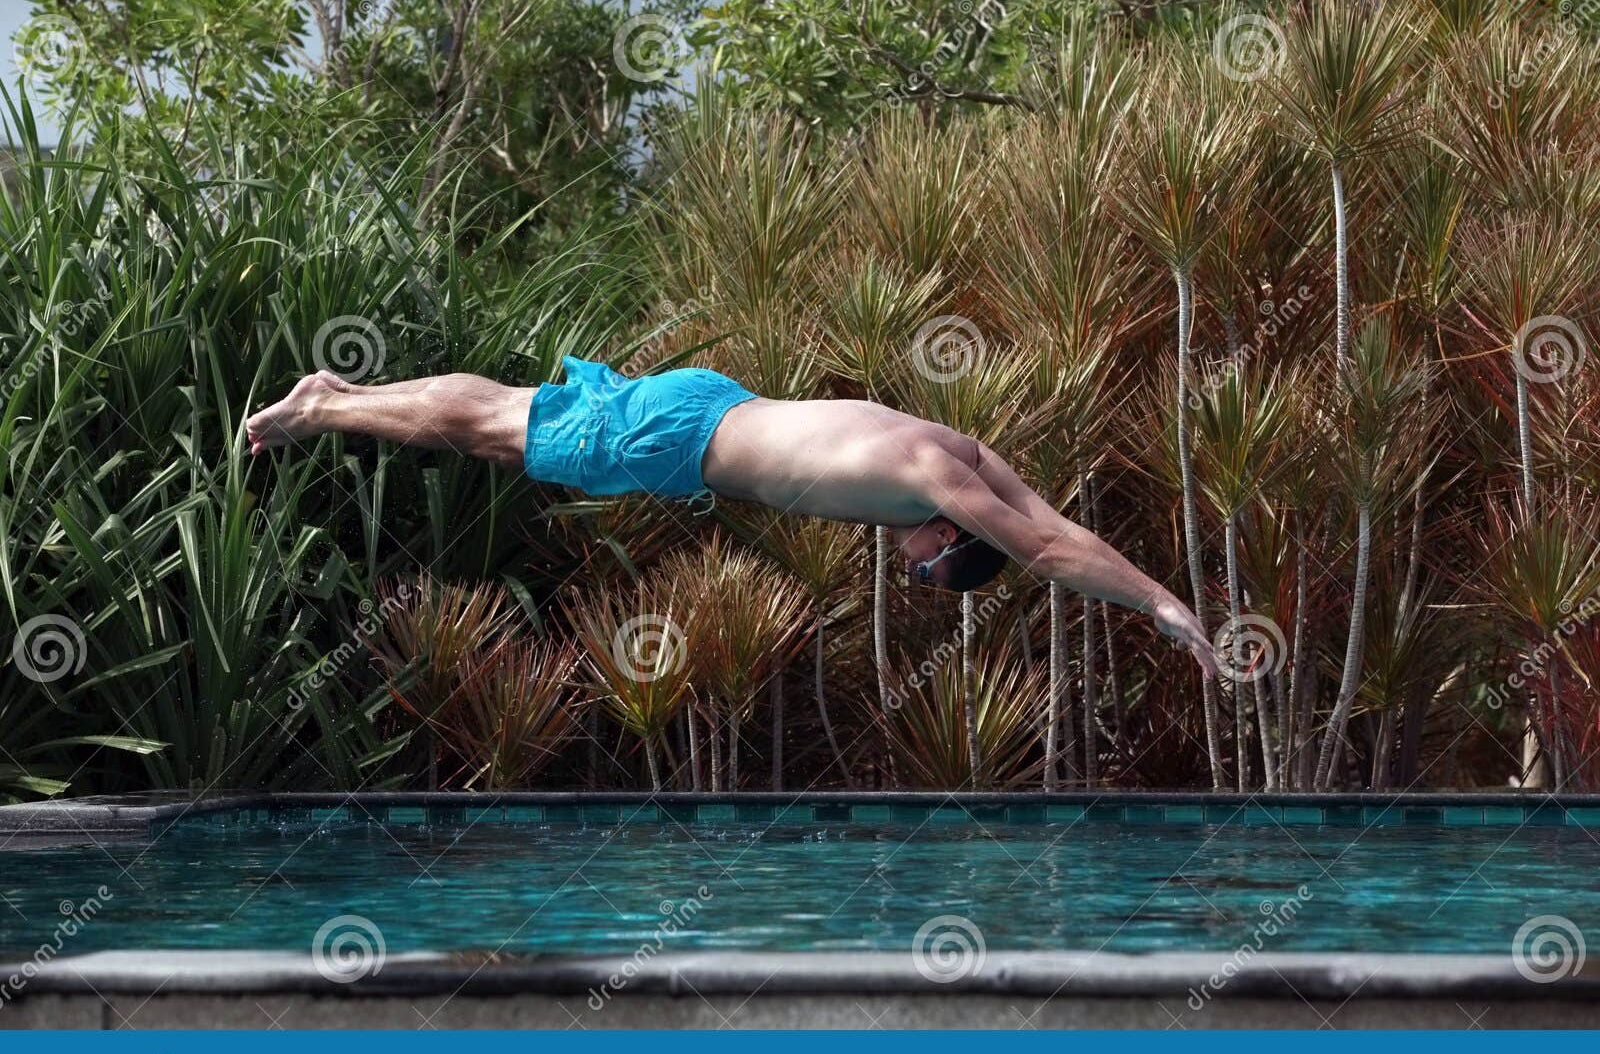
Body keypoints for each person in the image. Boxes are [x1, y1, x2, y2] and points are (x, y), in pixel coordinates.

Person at [246, 357, 1218, 675]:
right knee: (497, 426)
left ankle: (345, 397)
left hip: (716, 405)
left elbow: (1054, 523)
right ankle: (327, 403)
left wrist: (1151, 587)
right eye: (927, 570)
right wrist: (1162, 607)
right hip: (680, 440)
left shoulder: (962, 449)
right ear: (952, 536)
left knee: (511, 425)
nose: (907, 568)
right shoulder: (936, 479)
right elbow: (1043, 548)